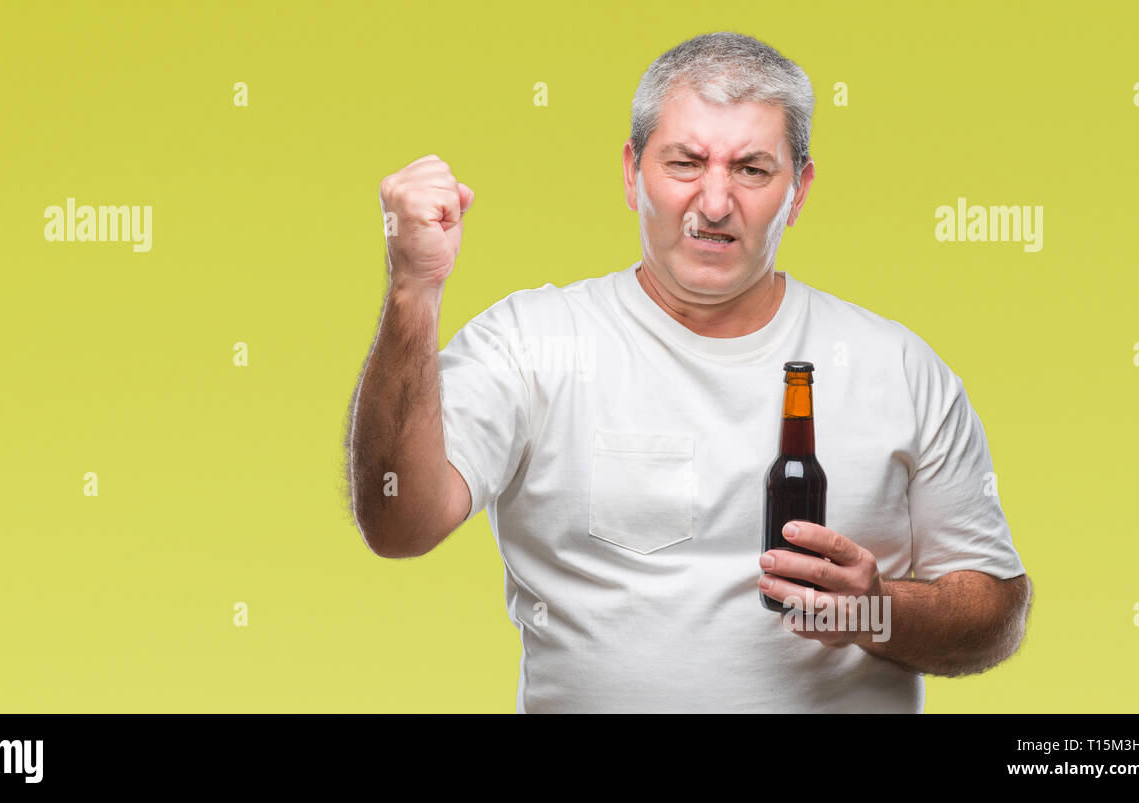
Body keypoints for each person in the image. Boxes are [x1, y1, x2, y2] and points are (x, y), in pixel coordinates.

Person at [347, 31, 1032, 713]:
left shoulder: (899, 369)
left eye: (752, 170)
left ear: (798, 191)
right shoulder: (532, 342)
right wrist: (414, 289)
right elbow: (398, 521)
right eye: (685, 163)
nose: (713, 202)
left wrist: (879, 611)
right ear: (629, 171)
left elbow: (996, 615)